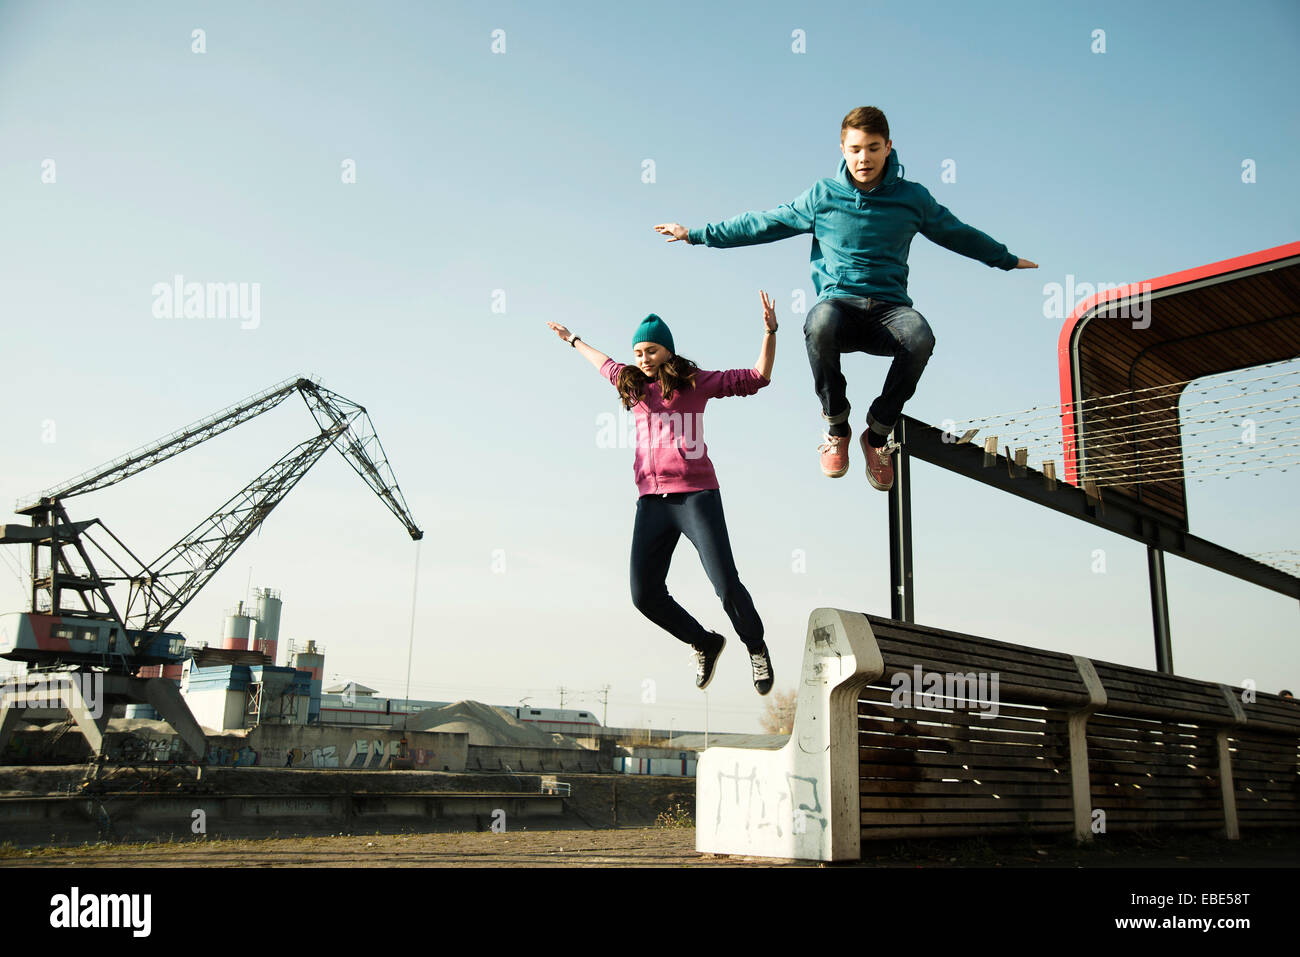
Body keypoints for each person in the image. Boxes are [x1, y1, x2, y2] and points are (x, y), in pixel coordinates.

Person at [654, 105, 1038, 491]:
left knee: (920, 335)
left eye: (872, 148)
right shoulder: (823, 197)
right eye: (855, 149)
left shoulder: (912, 199)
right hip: (840, 310)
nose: (864, 158)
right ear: (842, 149)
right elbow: (764, 223)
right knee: (818, 322)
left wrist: (1002, 258)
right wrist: (697, 233)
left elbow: (956, 232)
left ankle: (876, 433)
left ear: (888, 147)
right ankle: (837, 424)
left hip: (890, 313)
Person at [545, 293, 777, 694]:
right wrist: (572, 339)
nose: (643, 358)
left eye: (651, 350)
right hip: (651, 503)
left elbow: (757, 378)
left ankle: (755, 646)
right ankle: (703, 641)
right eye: (638, 352)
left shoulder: (695, 382)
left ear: (667, 350)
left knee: (725, 583)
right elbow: (603, 363)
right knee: (644, 594)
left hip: (696, 496)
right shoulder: (632, 385)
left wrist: (770, 333)